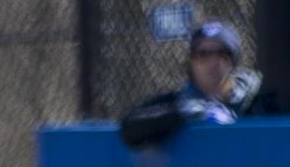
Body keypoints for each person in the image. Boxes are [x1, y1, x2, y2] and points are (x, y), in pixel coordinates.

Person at [117, 21, 273, 148]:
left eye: (221, 53)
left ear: (233, 60)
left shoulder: (258, 101)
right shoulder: (178, 103)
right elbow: (130, 128)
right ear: (191, 62)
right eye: (202, 54)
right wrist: (186, 114)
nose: (212, 62)